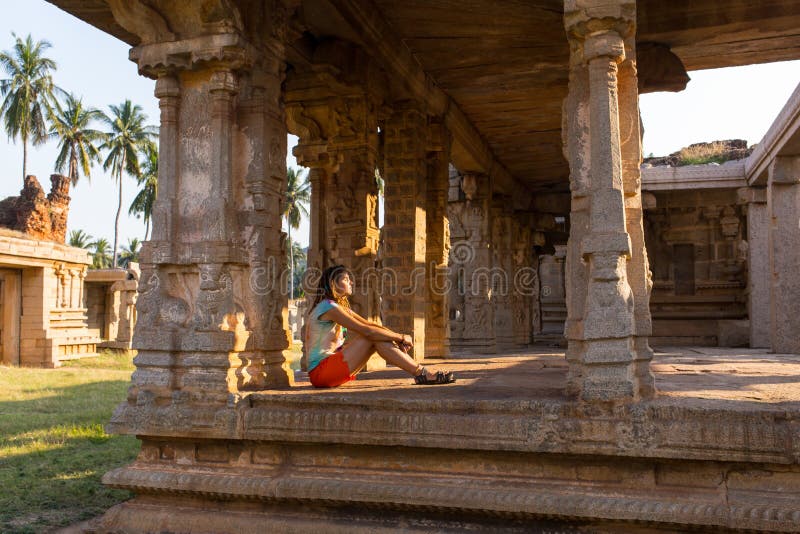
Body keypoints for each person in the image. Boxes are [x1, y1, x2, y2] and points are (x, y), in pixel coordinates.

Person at [305, 264, 456, 388]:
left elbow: (370, 325)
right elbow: (367, 331)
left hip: (329, 370)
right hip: (321, 372)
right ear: (333, 283)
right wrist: (401, 337)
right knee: (370, 337)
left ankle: (421, 373)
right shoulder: (328, 308)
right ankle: (421, 373)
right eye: (346, 279)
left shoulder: (337, 307)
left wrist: (396, 338)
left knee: (375, 335)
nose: (351, 282)